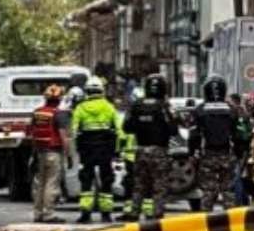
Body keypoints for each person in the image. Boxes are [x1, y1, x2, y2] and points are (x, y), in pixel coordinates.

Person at [121, 74, 177, 220]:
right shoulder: (164, 106)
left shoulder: (136, 104)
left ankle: (134, 212)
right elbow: (173, 129)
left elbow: (126, 127)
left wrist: (142, 127)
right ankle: (156, 213)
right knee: (160, 183)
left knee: (139, 183)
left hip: (140, 149)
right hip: (159, 150)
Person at [190, 75, 242, 212]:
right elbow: (238, 134)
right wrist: (239, 152)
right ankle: (230, 220)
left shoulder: (200, 110)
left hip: (208, 155)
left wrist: (192, 152)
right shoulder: (232, 110)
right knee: (228, 191)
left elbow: (194, 135)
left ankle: (206, 221)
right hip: (227, 154)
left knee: (208, 190)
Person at [72, 77, 120, 223]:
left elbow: (75, 131)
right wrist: (115, 150)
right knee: (106, 179)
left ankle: (86, 213)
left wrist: (78, 148)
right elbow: (117, 130)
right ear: (101, 90)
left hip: (87, 149)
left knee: (86, 179)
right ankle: (106, 214)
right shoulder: (109, 107)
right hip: (105, 148)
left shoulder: (80, 108)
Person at [29, 85, 71, 223]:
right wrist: (68, 154)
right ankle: (49, 214)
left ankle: (38, 213)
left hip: (39, 152)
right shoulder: (60, 114)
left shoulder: (37, 112)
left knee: (40, 184)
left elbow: (30, 132)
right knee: (51, 183)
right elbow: (64, 136)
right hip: (54, 152)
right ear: (59, 99)